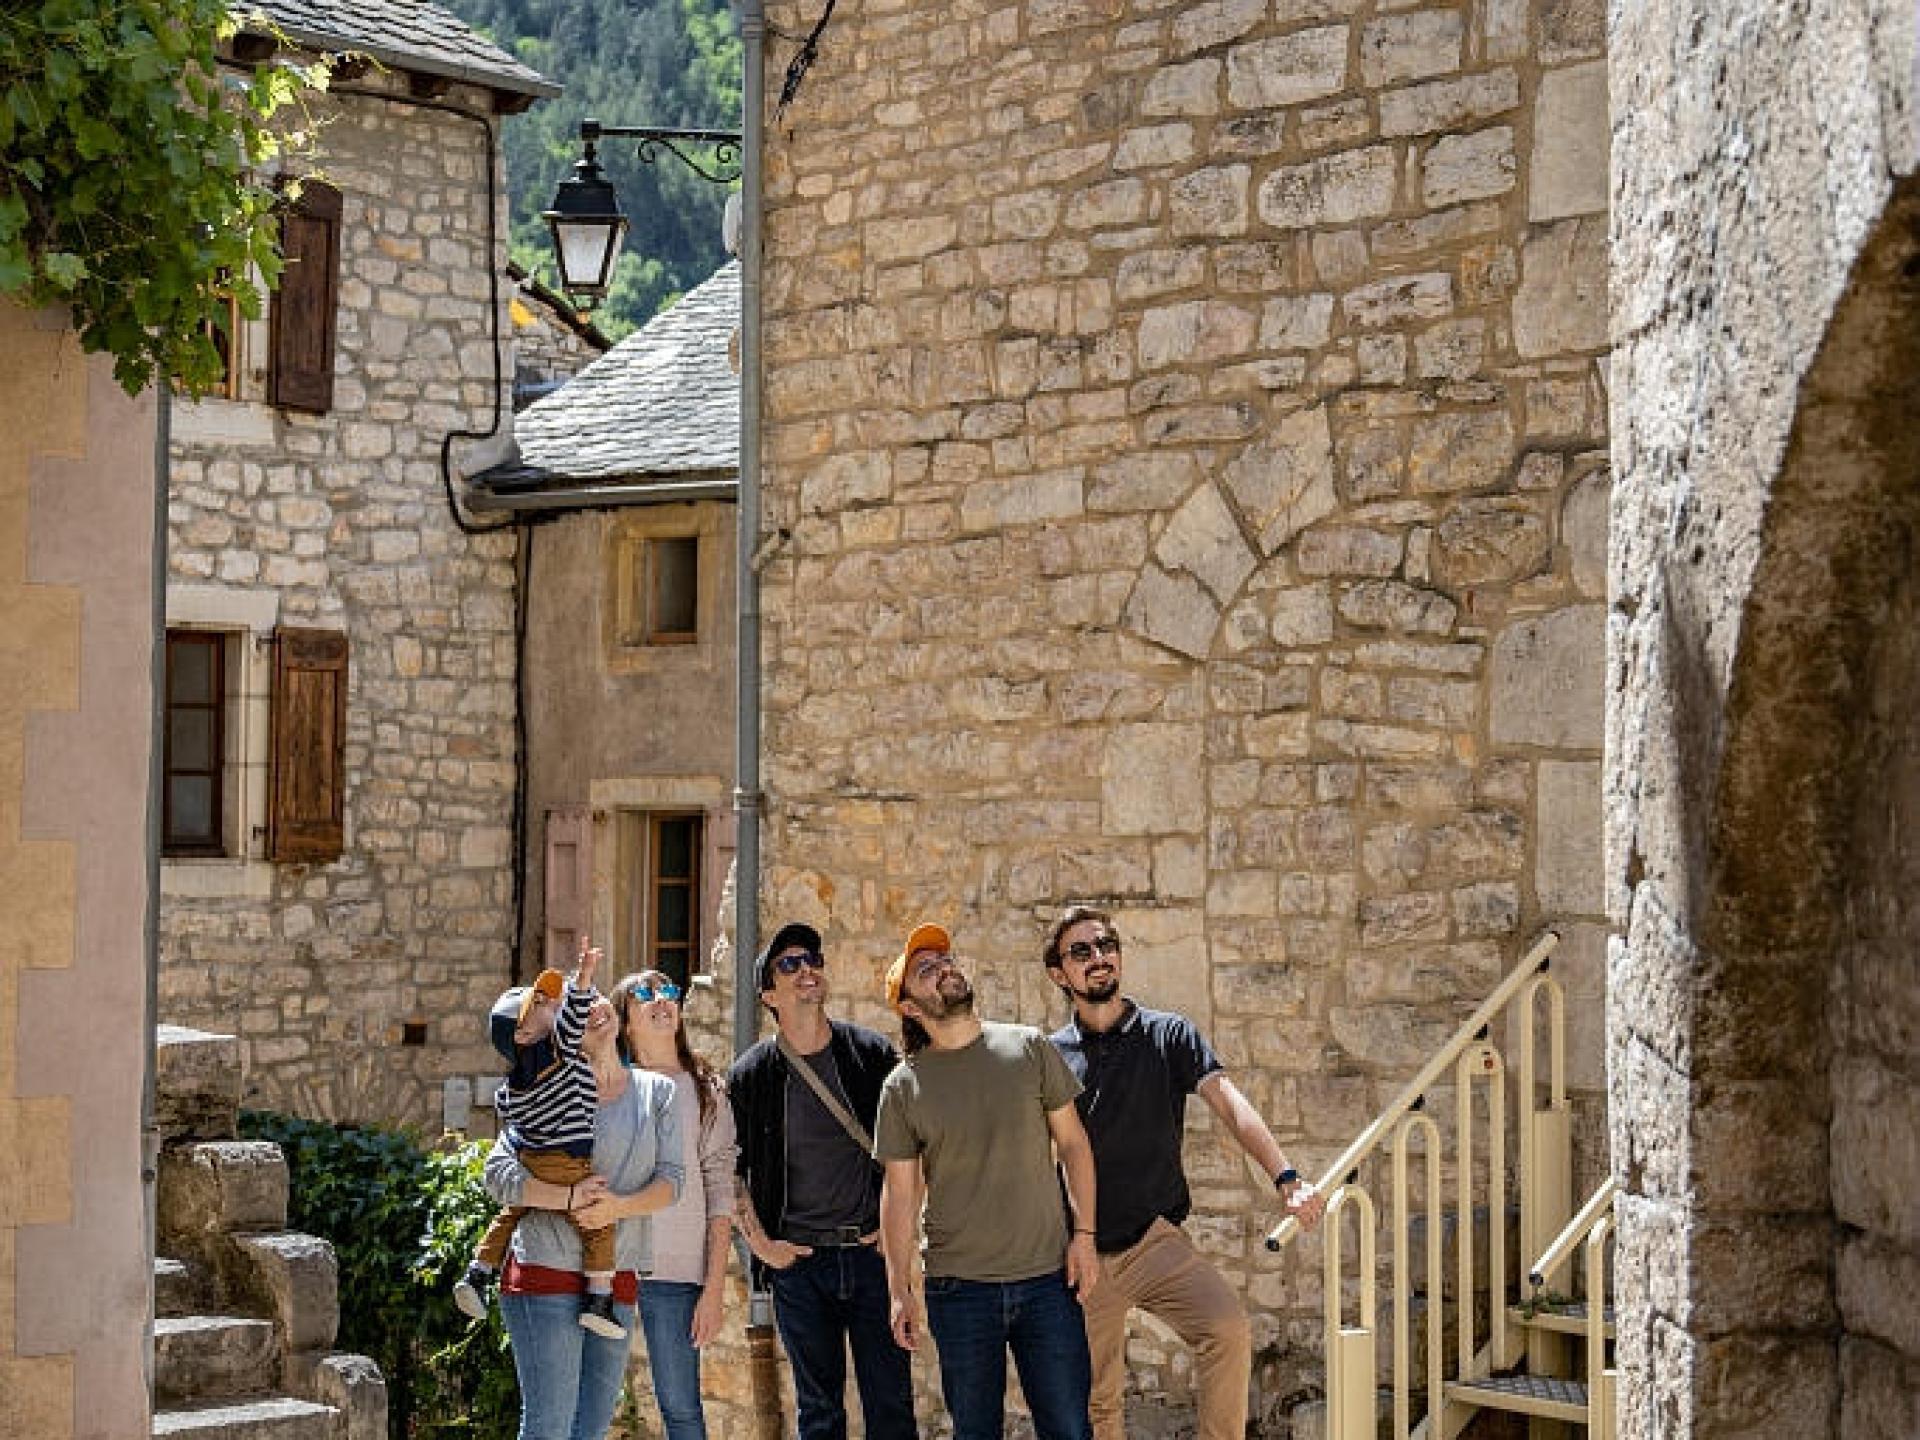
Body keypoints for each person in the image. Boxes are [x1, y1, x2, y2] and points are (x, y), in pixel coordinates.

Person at [1043, 905, 1327, 1440]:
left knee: (1227, 1330)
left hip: (1155, 1242)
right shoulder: (1050, 1057)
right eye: (1080, 951)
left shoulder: (1167, 1033)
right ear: (1060, 974)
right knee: (1096, 1402)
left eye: (1106, 945)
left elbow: (1230, 1105)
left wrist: (1286, 1177)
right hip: (1083, 1254)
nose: (1098, 957)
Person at [875, 921, 1099, 1440]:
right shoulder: (903, 1087)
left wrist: (1084, 1236)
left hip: (1048, 1281)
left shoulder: (1028, 1047)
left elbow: (1073, 1144)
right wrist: (898, 1290)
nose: (943, 969)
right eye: (925, 970)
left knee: (1069, 1429)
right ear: (909, 1007)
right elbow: (901, 1195)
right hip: (959, 1291)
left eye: (944, 960)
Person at [727, 922, 918, 1440]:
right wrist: (762, 1246)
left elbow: (911, 1147)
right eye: (789, 964)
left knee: (892, 1406)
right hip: (800, 1266)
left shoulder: (871, 1055)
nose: (806, 969)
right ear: (769, 994)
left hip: (869, 1255)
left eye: (812, 959)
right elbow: (728, 1168)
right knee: (819, 1414)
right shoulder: (751, 1075)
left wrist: (896, 1233)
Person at [482, 984, 684, 1440]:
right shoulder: (542, 1092)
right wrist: (568, 1199)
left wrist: (618, 1208)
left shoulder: (657, 1093)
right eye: (577, 1008)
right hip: (542, 1268)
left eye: (595, 1001)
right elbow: (497, 1175)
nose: (594, 1010)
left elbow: (673, 1182)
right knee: (549, 1427)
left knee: (591, 1427)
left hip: (617, 1275)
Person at [459, 943, 623, 1338]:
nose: (556, 1005)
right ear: (525, 1032)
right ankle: (600, 1300)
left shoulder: (511, 1086)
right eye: (544, 1005)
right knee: (598, 1227)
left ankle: (478, 1273)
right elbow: (570, 1024)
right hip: (568, 1161)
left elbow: (510, 1117)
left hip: (530, 1156)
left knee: (509, 1213)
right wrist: (583, 978)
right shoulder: (559, 1054)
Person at [611, 970, 736, 1440]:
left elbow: (721, 1191)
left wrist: (713, 1287)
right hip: (609, 1268)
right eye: (645, 993)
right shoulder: (611, 1085)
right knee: (590, 1405)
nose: (662, 999)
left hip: (678, 1275)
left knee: (681, 1410)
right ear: (626, 1021)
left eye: (669, 990)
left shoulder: (706, 1089)